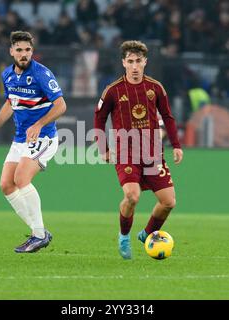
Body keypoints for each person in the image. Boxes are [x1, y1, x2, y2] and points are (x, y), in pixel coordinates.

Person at [0, 31, 66, 253]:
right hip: (20, 139)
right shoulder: (7, 75)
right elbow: (10, 103)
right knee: (6, 185)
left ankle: (38, 235)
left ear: (32, 51)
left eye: (27, 50)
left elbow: (61, 105)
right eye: (19, 50)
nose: (24, 54)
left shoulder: (41, 73)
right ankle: (39, 231)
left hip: (43, 136)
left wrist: (38, 125)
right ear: (11, 51)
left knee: (21, 178)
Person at [94, 40, 183, 260]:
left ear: (145, 62)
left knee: (169, 202)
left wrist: (177, 145)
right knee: (132, 197)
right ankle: (124, 236)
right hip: (126, 153)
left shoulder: (156, 88)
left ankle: (146, 234)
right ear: (123, 63)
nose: (135, 66)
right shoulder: (113, 90)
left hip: (153, 154)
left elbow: (169, 118)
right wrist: (103, 147)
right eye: (130, 61)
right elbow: (99, 119)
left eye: (138, 61)